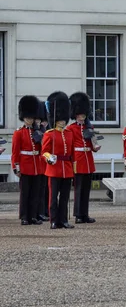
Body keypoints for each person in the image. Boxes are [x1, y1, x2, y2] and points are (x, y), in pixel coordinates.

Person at [42, 91, 75, 229]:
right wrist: (50, 157)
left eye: (64, 120)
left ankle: (63, 220)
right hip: (54, 168)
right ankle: (54, 220)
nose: (62, 122)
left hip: (66, 168)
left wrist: (74, 171)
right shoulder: (49, 134)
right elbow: (44, 152)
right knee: (53, 196)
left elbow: (72, 153)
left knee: (65, 197)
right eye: (60, 120)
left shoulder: (69, 134)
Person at [67, 92, 100, 224]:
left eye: (84, 115)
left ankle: (85, 214)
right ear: (75, 115)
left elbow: (92, 143)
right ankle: (78, 215)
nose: (82, 117)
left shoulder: (89, 127)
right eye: (80, 115)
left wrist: (94, 148)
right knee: (79, 189)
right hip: (78, 160)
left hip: (88, 159)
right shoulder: (71, 128)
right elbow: (70, 147)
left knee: (86, 189)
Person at [12, 95, 43, 225]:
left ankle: (33, 216)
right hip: (25, 165)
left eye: (31, 118)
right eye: (27, 118)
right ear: (23, 118)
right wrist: (16, 168)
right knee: (25, 193)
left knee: (35, 193)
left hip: (37, 164)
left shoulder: (37, 132)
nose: (29, 120)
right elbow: (15, 152)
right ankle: (24, 216)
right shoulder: (19, 133)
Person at [35, 100, 50, 222]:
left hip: (45, 164)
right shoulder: (34, 131)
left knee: (45, 189)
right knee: (38, 190)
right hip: (36, 164)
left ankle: (45, 210)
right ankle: (38, 212)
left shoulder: (45, 130)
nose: (41, 122)